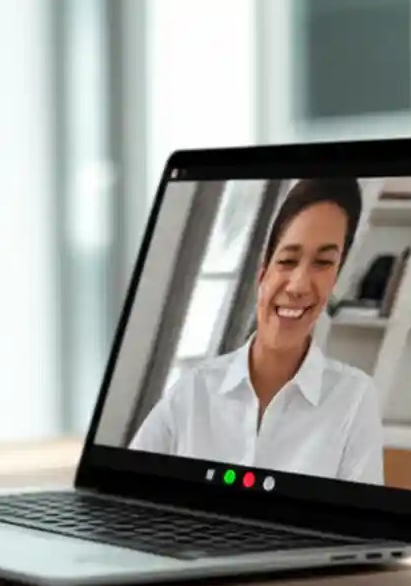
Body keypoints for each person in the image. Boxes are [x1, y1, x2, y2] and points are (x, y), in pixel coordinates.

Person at [129, 178, 385, 485]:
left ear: (336, 279)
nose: (299, 285)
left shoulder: (354, 399)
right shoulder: (194, 390)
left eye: (323, 263)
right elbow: (124, 494)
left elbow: (359, 528)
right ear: (263, 274)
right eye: (288, 260)